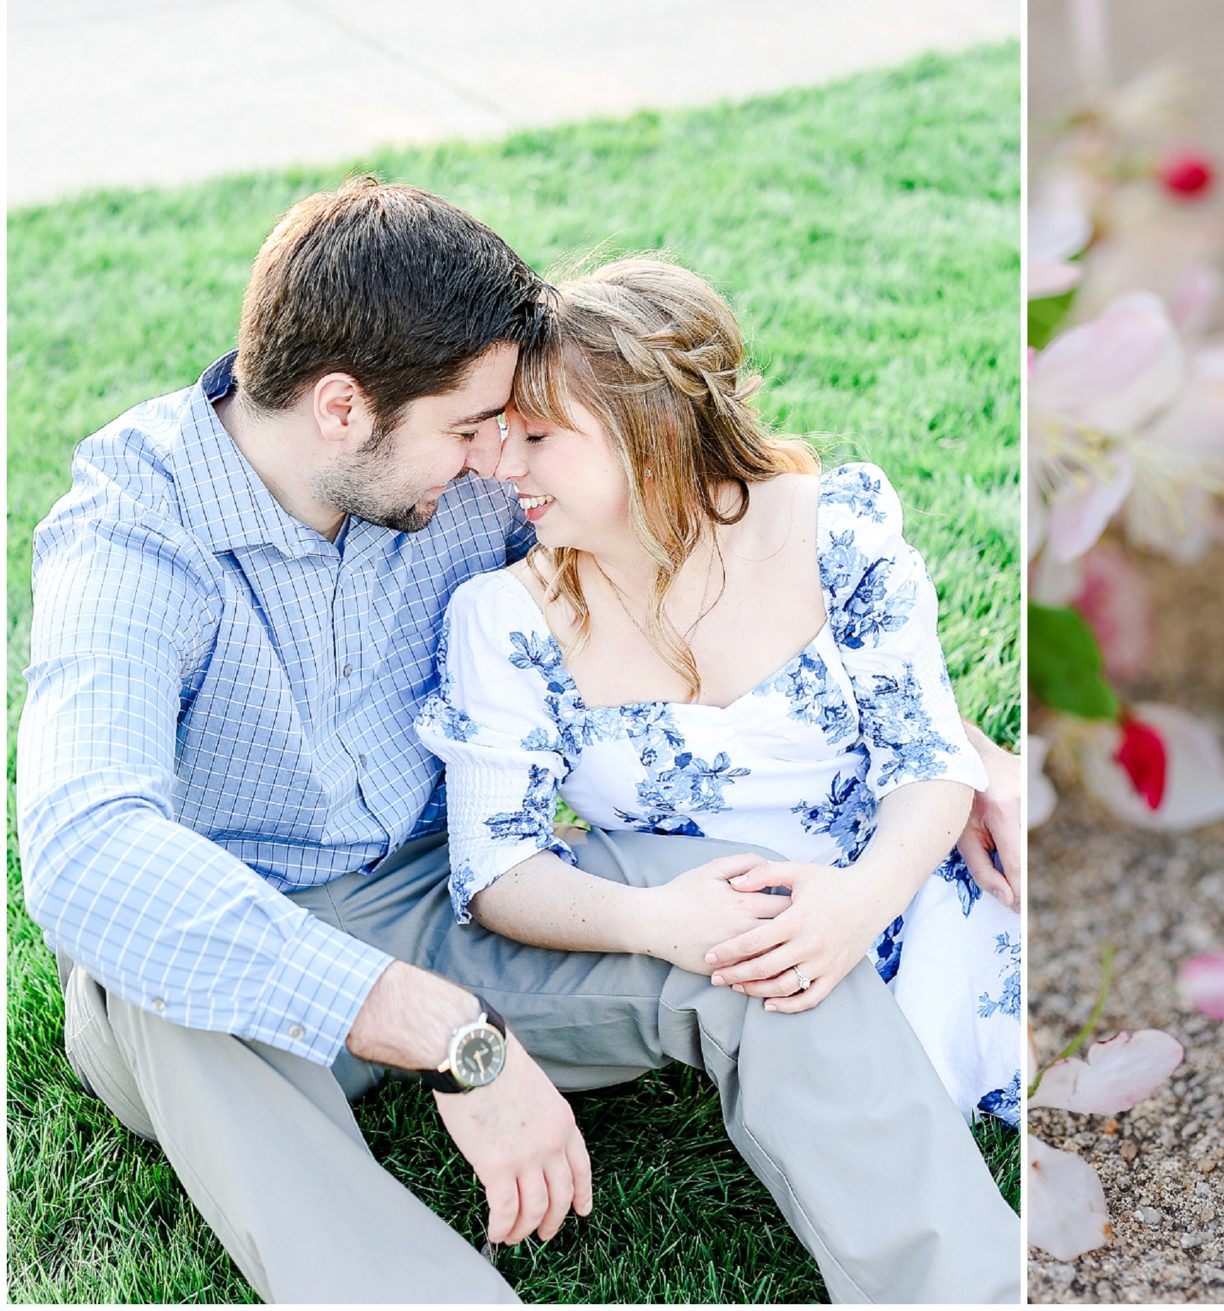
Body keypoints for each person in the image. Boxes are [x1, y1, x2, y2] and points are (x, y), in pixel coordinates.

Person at [16, 176, 1022, 1304]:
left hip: (437, 891)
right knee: (161, 979)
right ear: (343, 408)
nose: (496, 459)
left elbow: (692, 534)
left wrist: (964, 753)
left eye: (506, 428)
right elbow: (81, 843)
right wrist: (440, 1027)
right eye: (466, 429)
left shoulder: (453, 471)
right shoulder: (131, 526)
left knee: (749, 918)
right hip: (224, 929)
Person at [417, 257, 1022, 1133]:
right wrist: (654, 920)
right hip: (711, 956)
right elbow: (492, 868)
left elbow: (926, 753)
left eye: (539, 436)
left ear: (649, 431)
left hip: (902, 889)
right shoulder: (506, 618)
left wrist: (860, 902)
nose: (500, 461)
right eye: (502, 430)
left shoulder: (834, 531)